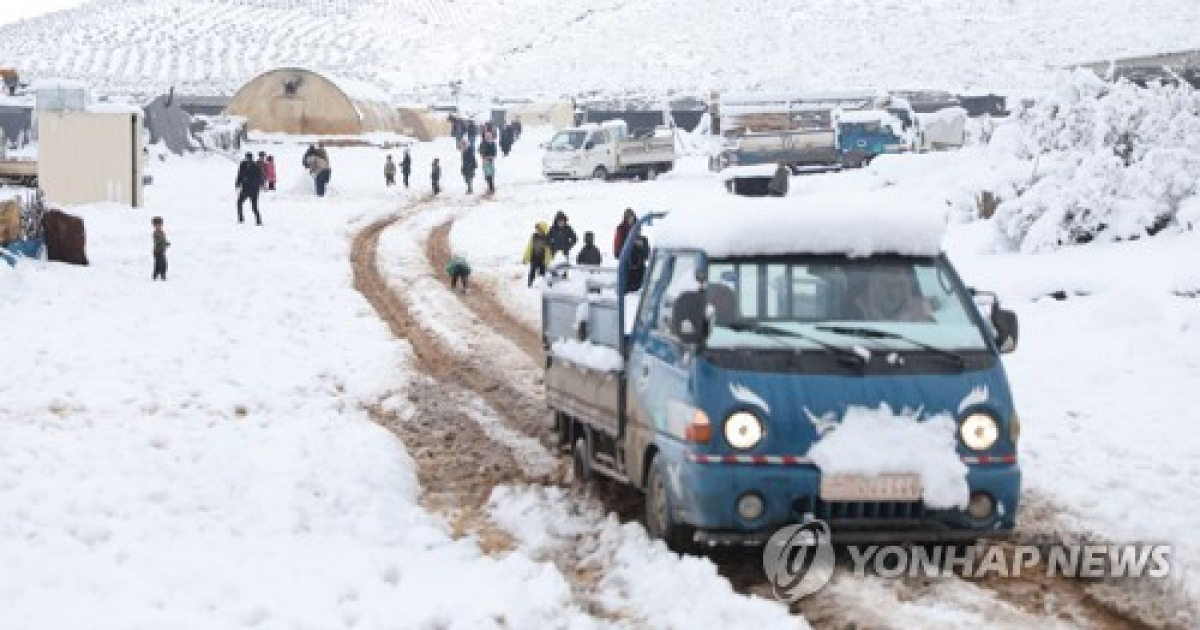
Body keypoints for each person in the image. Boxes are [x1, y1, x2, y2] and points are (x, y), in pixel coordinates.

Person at [852, 268, 933, 322]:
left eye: (903, 283)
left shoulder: (919, 305)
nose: (901, 278)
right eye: (894, 273)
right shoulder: (858, 309)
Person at [235, 151, 263, 225]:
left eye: (249, 158)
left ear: (251, 159)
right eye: (247, 158)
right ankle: (241, 219)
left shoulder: (256, 167)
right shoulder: (243, 165)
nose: (248, 160)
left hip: (254, 190)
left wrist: (251, 181)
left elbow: (260, 179)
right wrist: (237, 183)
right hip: (245, 189)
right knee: (239, 203)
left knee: (254, 207)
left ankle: (258, 221)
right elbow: (240, 174)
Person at [522, 221, 552, 287]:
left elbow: (548, 251)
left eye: (540, 230)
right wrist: (525, 258)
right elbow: (529, 248)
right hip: (535, 258)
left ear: (544, 230)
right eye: (537, 230)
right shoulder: (534, 237)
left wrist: (547, 261)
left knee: (543, 273)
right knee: (532, 271)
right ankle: (530, 284)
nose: (538, 231)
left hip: (542, 259)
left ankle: (544, 286)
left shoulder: (547, 239)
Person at [151, 216, 169, 280]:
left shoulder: (162, 232)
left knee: (163, 263)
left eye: (160, 225)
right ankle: (157, 275)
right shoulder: (155, 233)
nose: (159, 226)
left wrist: (166, 243)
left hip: (162, 250)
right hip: (157, 251)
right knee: (159, 264)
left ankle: (161, 274)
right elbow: (157, 241)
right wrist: (163, 243)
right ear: (154, 226)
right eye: (157, 225)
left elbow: (163, 240)